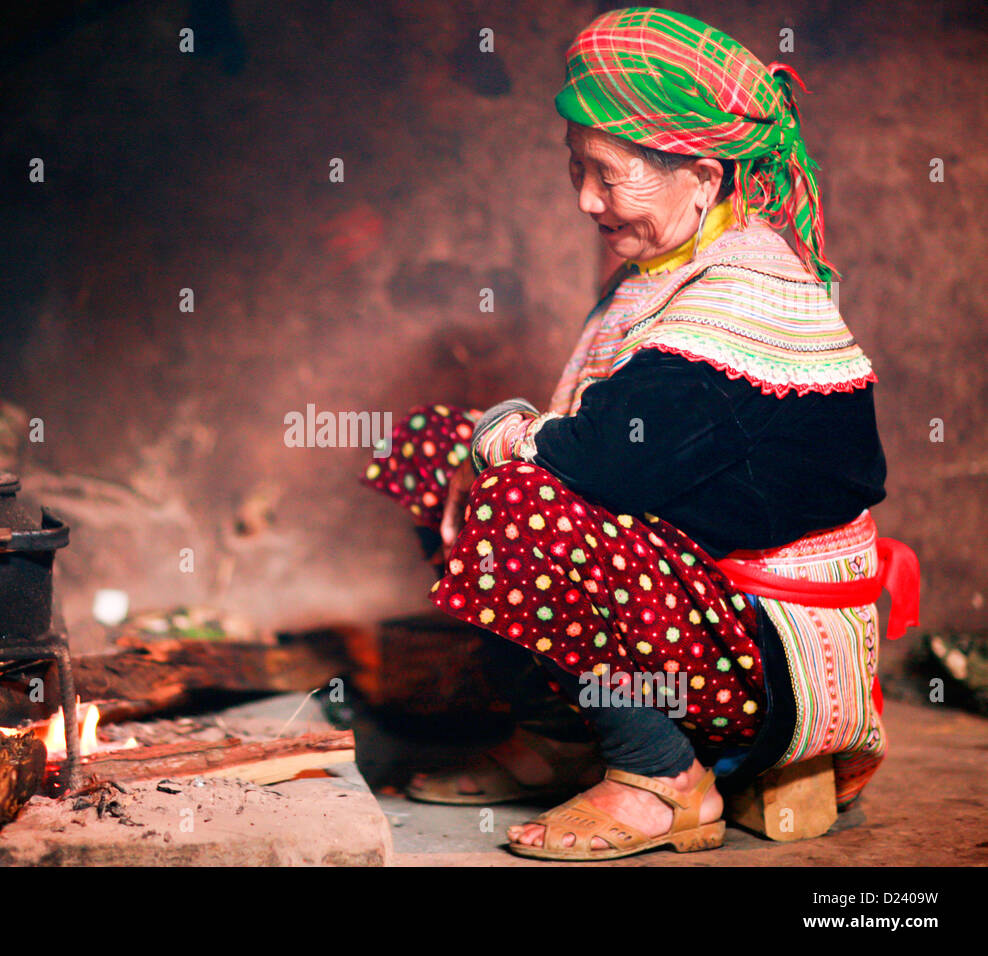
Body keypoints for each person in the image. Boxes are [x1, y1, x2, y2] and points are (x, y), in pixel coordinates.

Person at [361, 7, 917, 861]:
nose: (587, 199)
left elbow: (602, 465)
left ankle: (662, 776)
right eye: (576, 170)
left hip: (765, 661)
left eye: (609, 176)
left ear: (700, 174)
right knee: (436, 446)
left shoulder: (739, 303)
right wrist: (487, 440)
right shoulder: (668, 265)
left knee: (520, 498)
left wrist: (508, 437)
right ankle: (561, 736)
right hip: (695, 606)